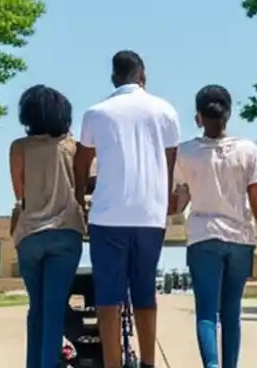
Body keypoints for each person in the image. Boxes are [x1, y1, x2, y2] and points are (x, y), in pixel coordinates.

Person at [75, 50, 180, 368]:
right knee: (145, 292)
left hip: (108, 216)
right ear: (142, 76)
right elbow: (170, 160)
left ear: (113, 78)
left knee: (109, 296)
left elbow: (81, 162)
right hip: (149, 215)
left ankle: (112, 363)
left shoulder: (96, 113)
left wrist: (80, 201)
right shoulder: (165, 111)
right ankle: (148, 362)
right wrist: (163, 200)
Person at [173, 84, 257, 368]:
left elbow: (178, 204)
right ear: (229, 114)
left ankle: (211, 365)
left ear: (198, 118)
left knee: (207, 314)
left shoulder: (184, 153)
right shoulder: (247, 151)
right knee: (231, 314)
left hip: (203, 239)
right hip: (239, 241)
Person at [9, 85, 86, 368]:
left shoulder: (19, 147)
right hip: (65, 233)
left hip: (29, 235)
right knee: (54, 310)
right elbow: (82, 188)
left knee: (37, 310)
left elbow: (20, 193)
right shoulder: (71, 147)